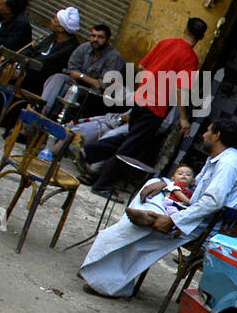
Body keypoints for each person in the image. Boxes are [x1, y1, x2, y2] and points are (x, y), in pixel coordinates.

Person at [79, 118, 237, 298]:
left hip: (205, 228)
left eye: (208, 131)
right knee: (154, 183)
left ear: (217, 135)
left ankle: (110, 285)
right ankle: (147, 216)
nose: (204, 135)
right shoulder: (218, 159)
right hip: (197, 215)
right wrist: (166, 184)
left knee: (135, 232)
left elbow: (211, 203)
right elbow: (194, 190)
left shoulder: (227, 164)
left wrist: (173, 220)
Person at [83, 17, 206, 194]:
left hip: (140, 100)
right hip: (155, 108)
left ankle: (89, 151)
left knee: (129, 139)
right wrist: (183, 118)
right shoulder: (190, 58)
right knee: (129, 149)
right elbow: (180, 89)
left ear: (185, 29)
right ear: (201, 37)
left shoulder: (165, 43)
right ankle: (102, 185)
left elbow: (142, 66)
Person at [0, 7, 83, 128]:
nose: (51, 21)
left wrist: (23, 67)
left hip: (42, 79)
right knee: (3, 69)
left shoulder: (70, 47)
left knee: (15, 76)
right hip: (30, 70)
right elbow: (32, 51)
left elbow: (46, 63)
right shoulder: (51, 37)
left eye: (54, 20)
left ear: (61, 28)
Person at [41, 23, 126, 116]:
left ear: (108, 40)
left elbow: (103, 85)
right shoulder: (85, 47)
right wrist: (83, 78)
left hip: (96, 95)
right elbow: (71, 70)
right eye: (93, 36)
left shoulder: (114, 57)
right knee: (57, 78)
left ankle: (47, 115)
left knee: (69, 91)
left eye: (100, 37)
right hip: (76, 84)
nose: (95, 39)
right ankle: (42, 109)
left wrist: (81, 76)